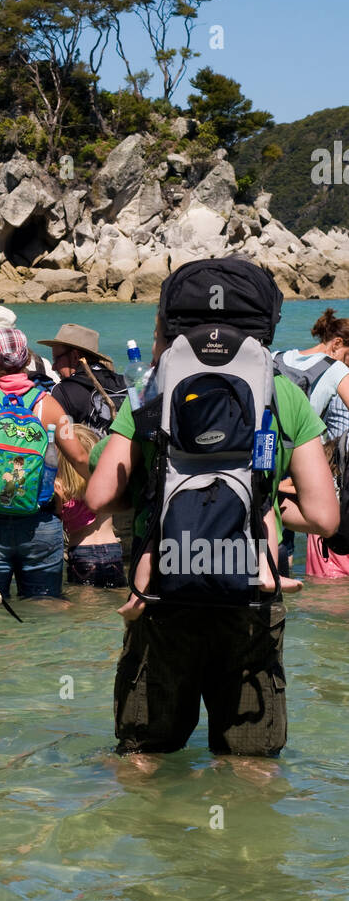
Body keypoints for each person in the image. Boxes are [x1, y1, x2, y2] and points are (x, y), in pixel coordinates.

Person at [86, 288, 339, 757]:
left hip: (164, 587)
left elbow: (99, 496)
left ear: (170, 334)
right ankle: (242, 824)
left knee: (145, 753)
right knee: (251, 759)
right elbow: (325, 518)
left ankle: (148, 825)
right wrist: (269, 508)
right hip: (249, 594)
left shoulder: (150, 390)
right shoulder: (282, 392)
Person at [0, 327, 88, 601]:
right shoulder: (48, 405)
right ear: (27, 359)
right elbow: (79, 457)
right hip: (40, 521)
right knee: (46, 604)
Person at [272, 308, 349, 578]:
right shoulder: (335, 368)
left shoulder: (277, 357)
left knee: (273, 531)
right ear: (337, 344)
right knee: (315, 522)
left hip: (264, 453)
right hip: (299, 461)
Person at [54, 425, 125, 588]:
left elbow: (58, 521)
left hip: (82, 553)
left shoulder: (62, 490)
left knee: (86, 607)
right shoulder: (106, 485)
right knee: (119, 592)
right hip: (113, 550)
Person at [42, 325, 127, 437]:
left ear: (75, 356)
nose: (53, 367)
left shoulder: (63, 391)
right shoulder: (123, 382)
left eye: (56, 359)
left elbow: (64, 442)